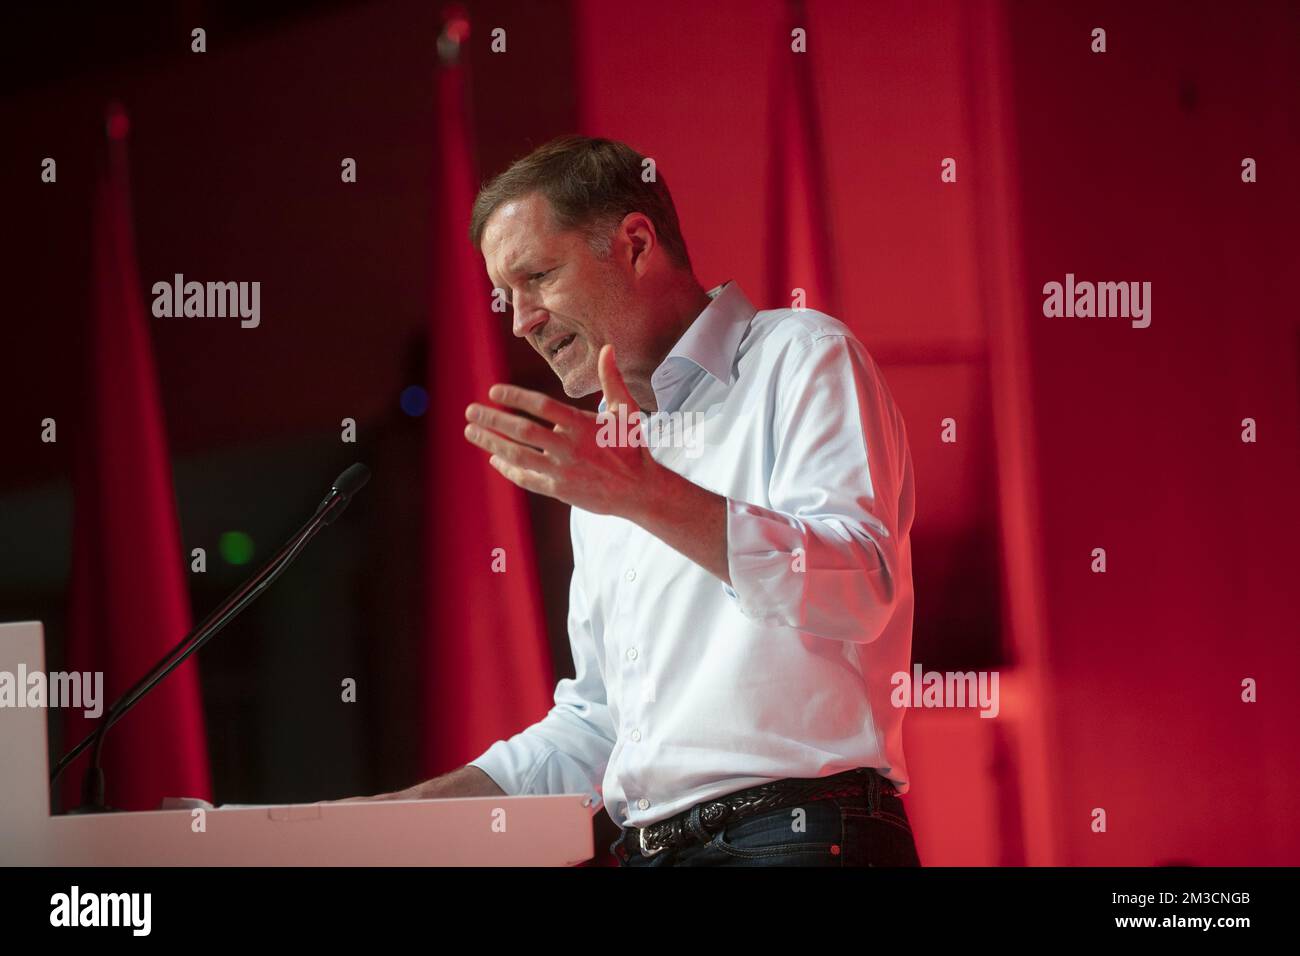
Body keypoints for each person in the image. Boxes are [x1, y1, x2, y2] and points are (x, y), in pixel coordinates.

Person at [358, 135, 919, 867]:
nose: (520, 320)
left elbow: (862, 586)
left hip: (799, 838)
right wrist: (382, 821)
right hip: (646, 852)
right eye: (508, 294)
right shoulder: (606, 468)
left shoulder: (799, 355)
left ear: (634, 243)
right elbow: (597, 726)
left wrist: (642, 492)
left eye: (538, 276)